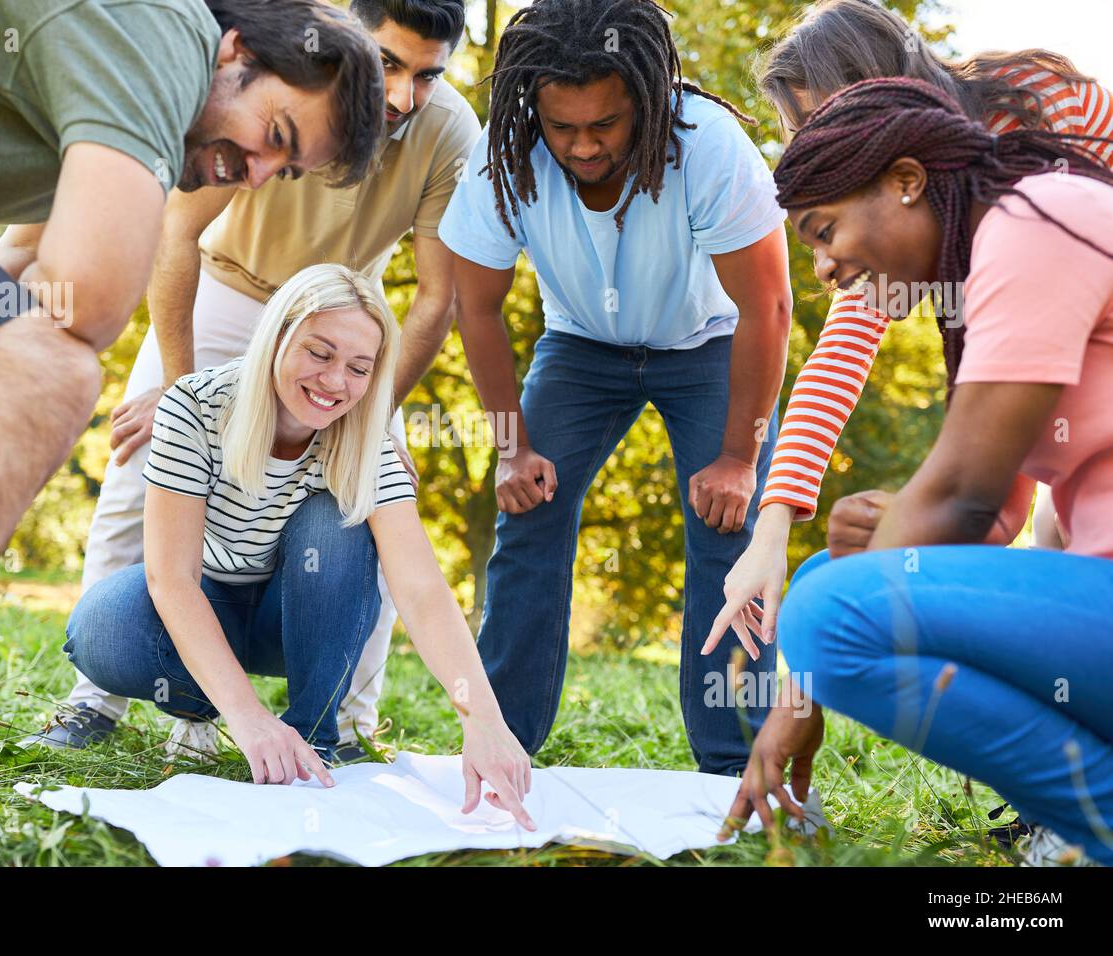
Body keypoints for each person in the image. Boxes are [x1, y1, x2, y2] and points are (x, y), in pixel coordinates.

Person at [0, 0, 385, 864]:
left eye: (285, 168)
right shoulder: (156, 34)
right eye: (273, 130)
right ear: (236, 48)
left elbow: (14, 259)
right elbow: (84, 293)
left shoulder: (113, 105)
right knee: (44, 378)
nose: (256, 172)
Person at [30, 0, 480, 762]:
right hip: (226, 291)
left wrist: (371, 416)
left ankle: (344, 722)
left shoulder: (448, 133)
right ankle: (92, 703)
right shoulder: (289, 82)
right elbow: (178, 230)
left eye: (428, 75)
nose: (403, 97)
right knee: (138, 472)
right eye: (389, 65)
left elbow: (437, 295)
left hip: (339, 322)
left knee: (366, 503)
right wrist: (180, 393)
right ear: (348, 32)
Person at [722, 76, 1113, 866]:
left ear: (905, 181)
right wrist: (885, 532)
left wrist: (798, 691)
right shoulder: (982, 270)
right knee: (842, 577)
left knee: (826, 613)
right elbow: (994, 509)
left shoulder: (1037, 220)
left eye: (824, 231)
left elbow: (963, 498)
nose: (825, 269)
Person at [438, 0, 793, 774]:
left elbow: (768, 306)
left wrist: (738, 456)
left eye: (606, 123)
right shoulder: (504, 155)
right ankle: (500, 745)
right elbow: (479, 308)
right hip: (580, 348)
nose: (584, 145)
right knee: (527, 514)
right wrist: (510, 449)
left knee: (728, 534)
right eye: (564, 128)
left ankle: (736, 765)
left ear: (648, 98)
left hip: (708, 345)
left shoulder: (708, 147)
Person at [705, 0, 1113, 653]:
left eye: (820, 119)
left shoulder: (1041, 109)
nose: (817, 146)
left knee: (1059, 535)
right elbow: (839, 354)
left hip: (1084, 353)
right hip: (1034, 378)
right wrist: (772, 526)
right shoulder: (890, 222)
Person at [65, 263, 535, 826]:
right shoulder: (195, 406)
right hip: (204, 601)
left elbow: (422, 590)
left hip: (294, 621)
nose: (336, 382)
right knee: (102, 628)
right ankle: (202, 710)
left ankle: (315, 736)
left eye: (359, 368)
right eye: (320, 353)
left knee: (333, 520)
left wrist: (482, 719)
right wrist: (248, 718)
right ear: (278, 337)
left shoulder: (367, 441)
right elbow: (172, 578)